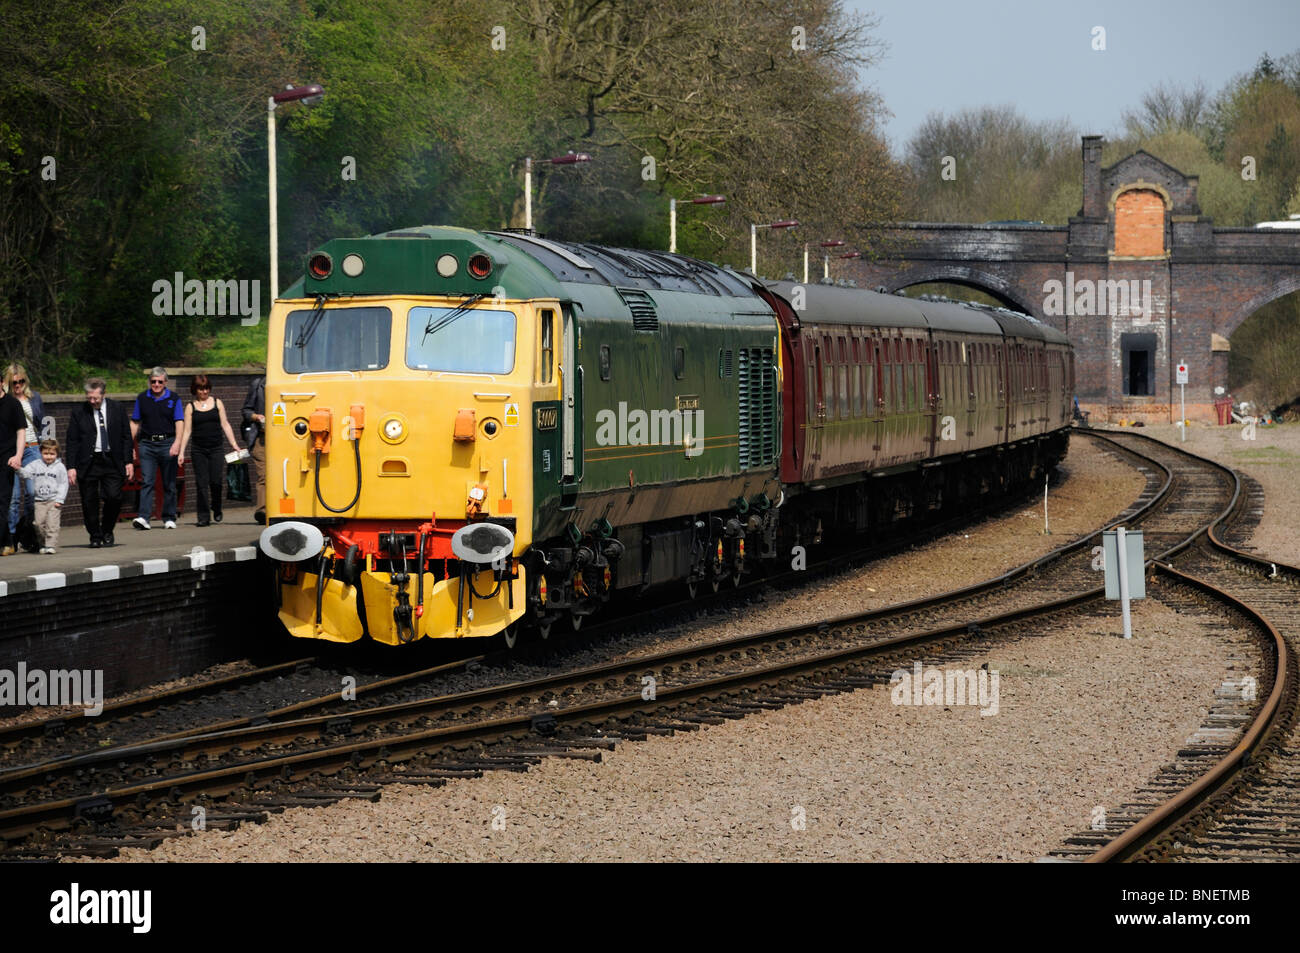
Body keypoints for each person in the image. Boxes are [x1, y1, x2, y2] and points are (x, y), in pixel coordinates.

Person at [66, 377, 135, 548]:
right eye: (89, 397)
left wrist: (128, 461)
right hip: (89, 461)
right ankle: (95, 536)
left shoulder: (117, 408)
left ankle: (107, 530)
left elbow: (126, 436)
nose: (92, 401)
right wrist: (71, 467)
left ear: (103, 394)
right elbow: (72, 440)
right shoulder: (79, 412)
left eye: (95, 398)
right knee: (89, 501)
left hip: (112, 459)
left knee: (114, 496)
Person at [178, 375, 241, 526]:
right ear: (195, 390)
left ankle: (217, 507)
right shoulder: (190, 407)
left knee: (216, 481)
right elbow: (187, 431)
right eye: (201, 389)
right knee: (201, 483)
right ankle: (203, 517)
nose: (204, 392)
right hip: (198, 449)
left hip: (216, 448)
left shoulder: (217, 403)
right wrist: (181, 452)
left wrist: (234, 444)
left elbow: (225, 424)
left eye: (206, 388)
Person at [130, 366, 183, 530]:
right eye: (153, 381)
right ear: (149, 382)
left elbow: (179, 422)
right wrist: (131, 446)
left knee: (169, 482)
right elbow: (135, 422)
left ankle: (168, 517)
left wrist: (177, 443)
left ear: (165, 382)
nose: (156, 384)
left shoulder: (174, 399)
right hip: (147, 444)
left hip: (168, 443)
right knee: (147, 481)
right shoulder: (142, 398)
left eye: (160, 381)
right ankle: (144, 517)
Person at [4, 364, 44, 540]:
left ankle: (28, 529)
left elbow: (42, 423)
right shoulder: (5, 400)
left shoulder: (34, 398)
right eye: (14, 382)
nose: (18, 385)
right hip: (11, 450)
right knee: (13, 498)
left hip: (32, 447)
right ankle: (11, 536)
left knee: (33, 492)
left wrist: (46, 448)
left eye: (21, 381)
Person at [21, 438, 68, 553]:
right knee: (38, 524)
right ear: (41, 452)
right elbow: (26, 473)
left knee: (52, 524)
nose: (49, 456)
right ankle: (43, 544)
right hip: (39, 501)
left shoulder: (60, 467)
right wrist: (18, 469)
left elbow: (63, 483)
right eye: (46, 453)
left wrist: (60, 499)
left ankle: (50, 545)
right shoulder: (36, 464)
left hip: (54, 500)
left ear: (56, 454)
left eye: (52, 454)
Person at [0, 382, 23, 556]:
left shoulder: (12, 404)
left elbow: (21, 431)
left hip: (6, 458)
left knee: (2, 501)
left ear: (1, 383)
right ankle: (7, 541)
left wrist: (18, 456)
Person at [241, 374, 266, 524]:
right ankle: (262, 510)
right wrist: (256, 417)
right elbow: (246, 410)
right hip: (261, 439)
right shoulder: (258, 384)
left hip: (283, 438)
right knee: (263, 475)